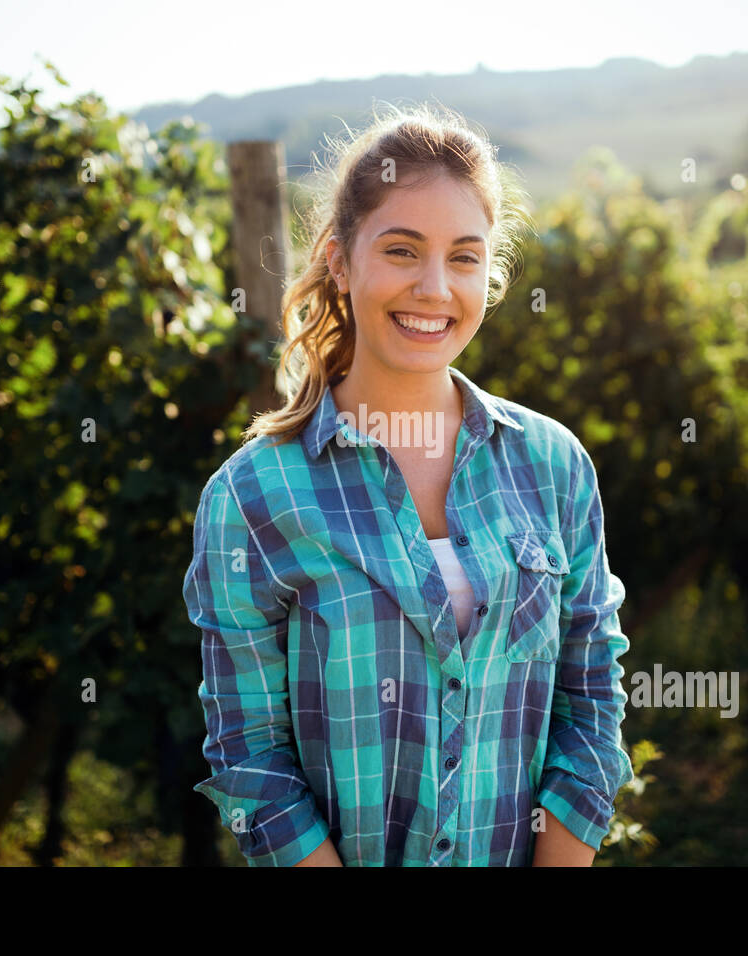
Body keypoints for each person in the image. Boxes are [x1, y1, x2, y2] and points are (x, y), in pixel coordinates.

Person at [182, 104, 633, 866]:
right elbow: (251, 758)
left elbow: (589, 702)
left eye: (464, 257)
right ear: (338, 258)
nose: (434, 288)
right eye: (401, 250)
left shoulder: (554, 467)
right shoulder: (253, 499)